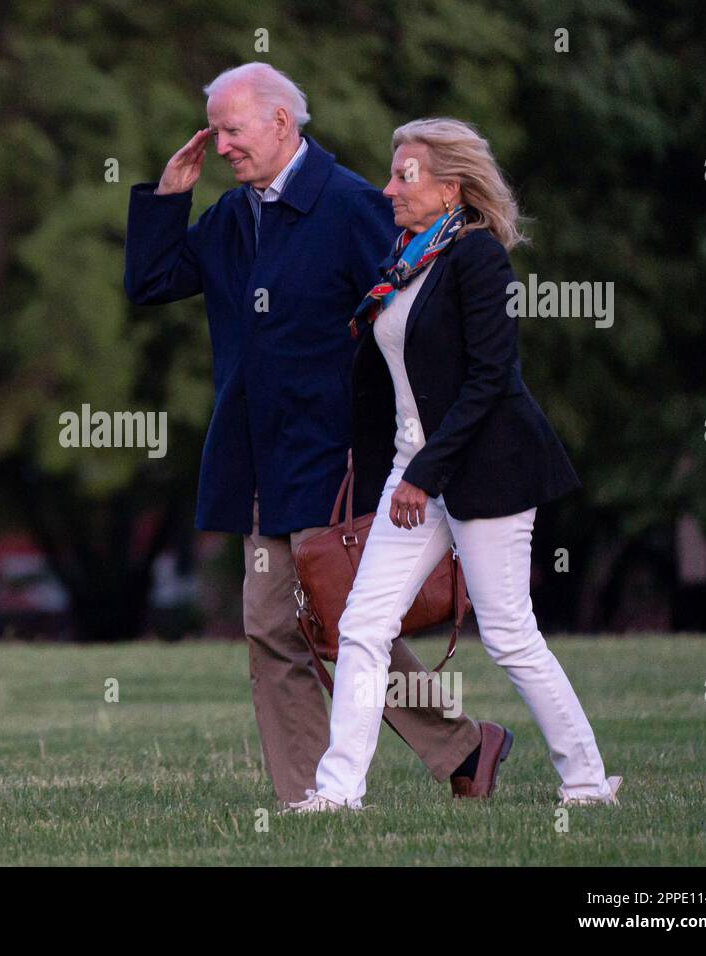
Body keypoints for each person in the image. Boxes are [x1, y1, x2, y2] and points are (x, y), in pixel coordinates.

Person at [125, 64, 512, 808]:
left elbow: (418, 322)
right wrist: (170, 196)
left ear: (280, 123)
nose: (221, 145)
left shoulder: (353, 205)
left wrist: (423, 442)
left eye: (230, 129)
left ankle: (446, 750)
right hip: (255, 455)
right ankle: (338, 785)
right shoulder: (236, 215)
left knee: (330, 619)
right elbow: (151, 282)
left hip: (335, 453)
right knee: (276, 625)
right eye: (213, 129)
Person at [287, 118, 622, 813]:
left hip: (481, 469)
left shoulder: (477, 259)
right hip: (413, 472)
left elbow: (491, 379)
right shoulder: (407, 258)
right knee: (361, 625)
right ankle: (337, 793)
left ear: (451, 188)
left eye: (403, 176)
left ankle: (587, 783)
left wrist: (423, 473)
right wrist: (393, 469)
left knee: (508, 634)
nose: (388, 189)